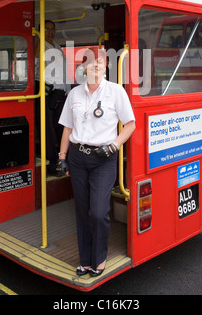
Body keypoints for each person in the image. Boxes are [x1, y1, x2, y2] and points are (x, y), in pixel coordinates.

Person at [58, 47, 135, 277]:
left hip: (104, 159)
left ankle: (99, 258)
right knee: (82, 211)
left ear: (106, 66)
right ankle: (86, 260)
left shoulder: (116, 91)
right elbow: (67, 128)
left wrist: (115, 144)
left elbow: (130, 124)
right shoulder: (74, 95)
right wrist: (62, 158)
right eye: (91, 63)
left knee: (98, 212)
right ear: (83, 67)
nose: (97, 66)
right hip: (78, 157)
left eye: (100, 62)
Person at [35, 20, 70, 174]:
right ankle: (51, 164)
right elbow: (35, 68)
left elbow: (64, 72)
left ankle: (64, 160)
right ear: (40, 31)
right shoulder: (40, 45)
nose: (50, 32)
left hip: (61, 94)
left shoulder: (57, 46)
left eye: (52, 29)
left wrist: (68, 91)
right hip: (47, 93)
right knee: (47, 130)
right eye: (46, 29)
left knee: (62, 127)